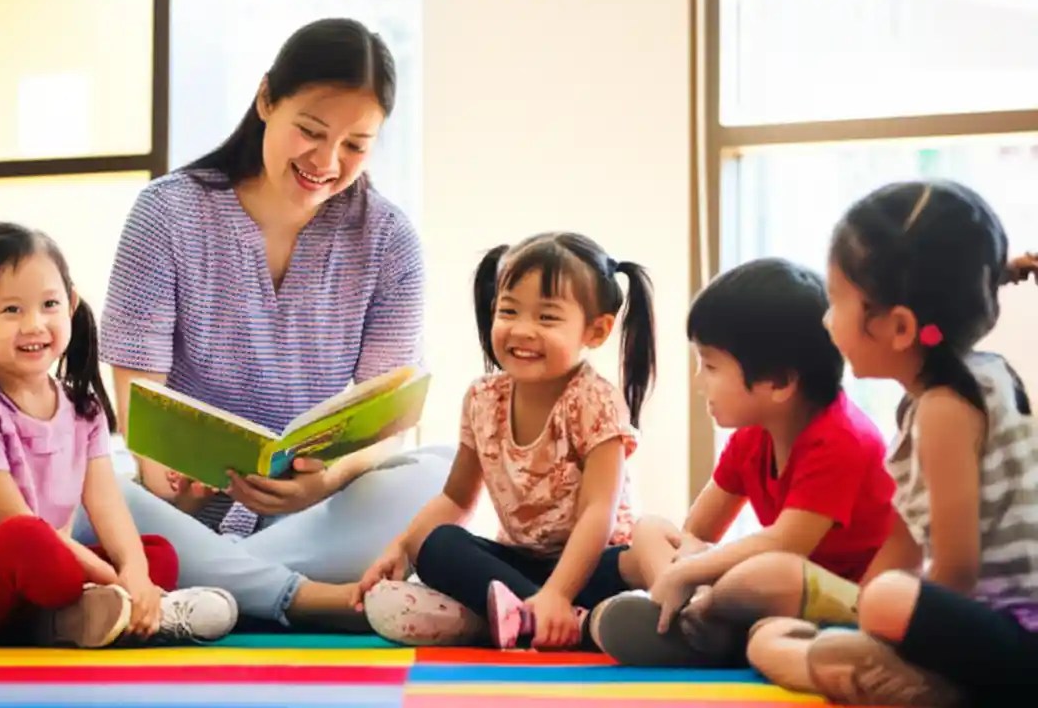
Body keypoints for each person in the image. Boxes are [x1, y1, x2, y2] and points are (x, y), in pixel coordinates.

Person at [77, 17, 450, 630]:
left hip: (320, 513)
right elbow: (138, 399)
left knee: (439, 473)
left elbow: (390, 426)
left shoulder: (390, 241)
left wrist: (326, 478)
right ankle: (309, 600)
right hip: (182, 505)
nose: (327, 161)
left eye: (356, 144)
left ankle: (202, 590)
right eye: (310, 130)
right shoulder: (166, 213)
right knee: (84, 486)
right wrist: (166, 478)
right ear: (266, 99)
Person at [747, 181, 1038, 706]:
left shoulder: (947, 406)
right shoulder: (970, 383)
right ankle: (880, 670)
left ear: (898, 327)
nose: (825, 319)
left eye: (835, 302)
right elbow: (903, 542)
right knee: (783, 637)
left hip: (1015, 643)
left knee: (870, 607)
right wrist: (861, 620)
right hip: (989, 632)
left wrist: (884, 626)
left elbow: (957, 568)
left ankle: (932, 683)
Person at [0, 222, 237, 647]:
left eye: (49, 304)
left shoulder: (83, 409)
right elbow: (18, 523)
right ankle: (129, 610)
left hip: (43, 572)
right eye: (11, 310)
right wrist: (122, 582)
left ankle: (78, 618)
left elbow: (107, 506)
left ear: (71, 305)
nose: (35, 324)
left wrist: (134, 570)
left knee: (155, 554)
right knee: (31, 541)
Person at [587, 258, 907, 667]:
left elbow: (786, 544)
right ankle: (694, 619)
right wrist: (686, 566)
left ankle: (701, 626)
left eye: (711, 366)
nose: (700, 382)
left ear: (780, 382)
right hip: (772, 590)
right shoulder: (752, 437)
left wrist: (689, 572)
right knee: (650, 529)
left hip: (849, 603)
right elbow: (697, 530)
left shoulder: (842, 439)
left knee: (768, 573)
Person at [357, 233, 656, 649]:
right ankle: (550, 620)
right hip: (522, 565)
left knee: (634, 559)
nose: (522, 330)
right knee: (439, 543)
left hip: (591, 565)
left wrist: (559, 591)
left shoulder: (595, 400)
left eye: (547, 318)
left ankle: (551, 616)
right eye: (509, 311)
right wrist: (400, 549)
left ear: (597, 331)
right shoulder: (483, 399)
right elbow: (456, 500)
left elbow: (597, 512)